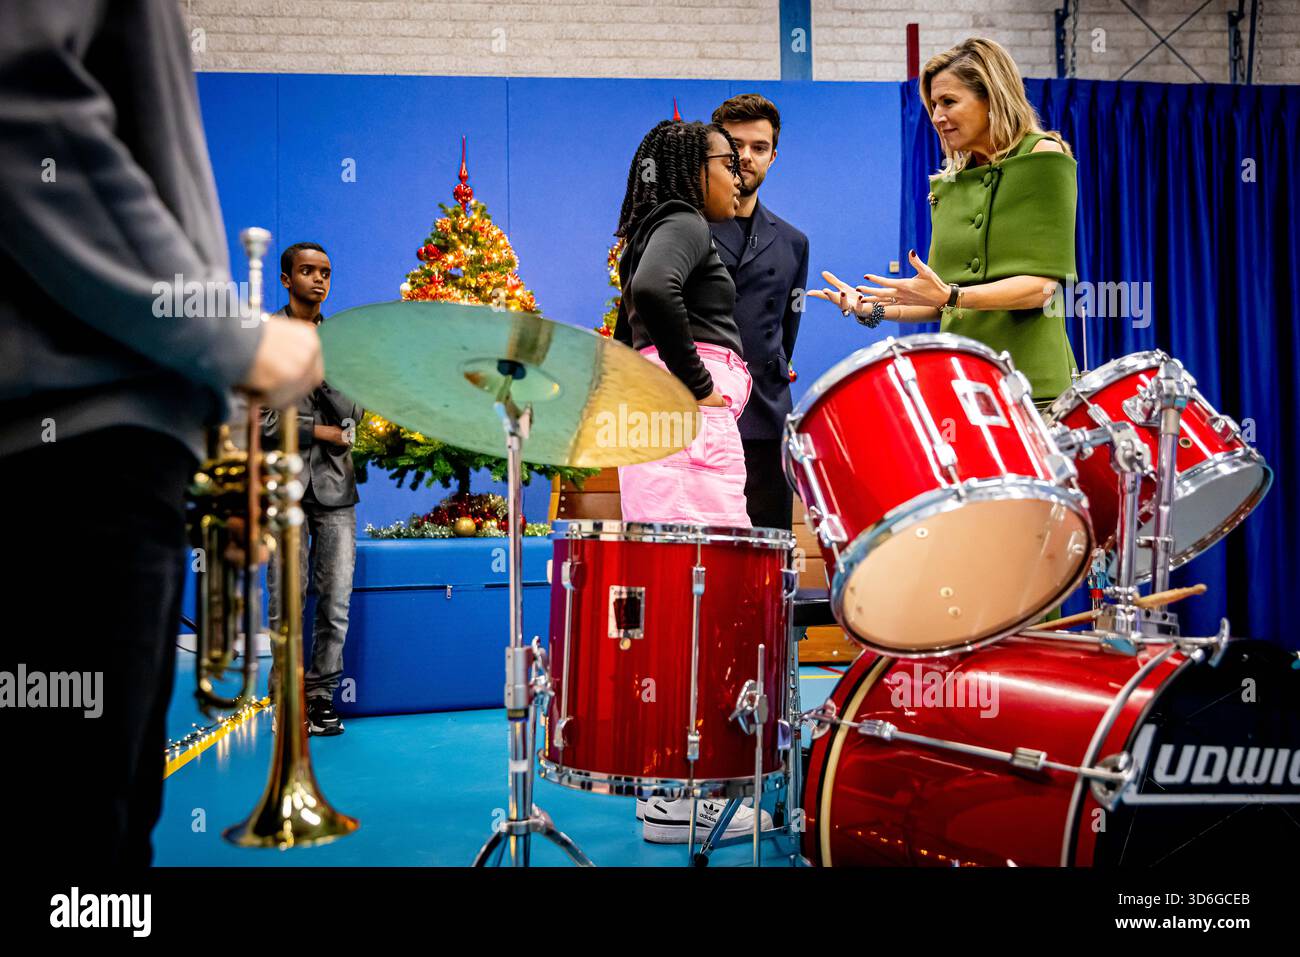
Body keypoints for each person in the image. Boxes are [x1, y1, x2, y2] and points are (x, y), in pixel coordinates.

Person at [0, 1, 321, 866]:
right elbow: (24, 109)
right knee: (80, 835)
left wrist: (215, 418)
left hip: (102, 448)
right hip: (67, 463)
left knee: (113, 815)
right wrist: (237, 338)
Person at [611, 118, 773, 842]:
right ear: (687, 170)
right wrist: (701, 379)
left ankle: (666, 786)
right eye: (724, 159)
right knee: (702, 597)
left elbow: (632, 322)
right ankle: (683, 793)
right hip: (687, 429)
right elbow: (651, 292)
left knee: (676, 593)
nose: (737, 171)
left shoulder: (656, 225)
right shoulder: (680, 221)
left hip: (668, 429)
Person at [812, 36, 1079, 409]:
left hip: (1033, 389)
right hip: (963, 385)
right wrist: (868, 308)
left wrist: (953, 296)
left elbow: (1039, 289)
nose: (937, 116)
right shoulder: (948, 183)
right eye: (933, 104)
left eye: (949, 102)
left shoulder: (1042, 157)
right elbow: (938, 302)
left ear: (991, 98)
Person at [263, 242, 363, 737]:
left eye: (325, 272)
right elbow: (257, 420)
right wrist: (317, 431)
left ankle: (322, 701)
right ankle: (285, 700)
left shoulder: (344, 340)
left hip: (336, 491)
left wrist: (321, 376)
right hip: (282, 489)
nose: (318, 280)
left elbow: (355, 414)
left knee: (335, 602)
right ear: (286, 279)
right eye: (307, 271)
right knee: (288, 601)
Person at [709, 94, 809, 531]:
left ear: (773, 155)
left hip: (767, 423)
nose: (745, 157)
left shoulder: (793, 243)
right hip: (700, 419)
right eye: (735, 145)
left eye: (759, 147)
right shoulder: (679, 228)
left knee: (767, 564)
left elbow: (786, 337)